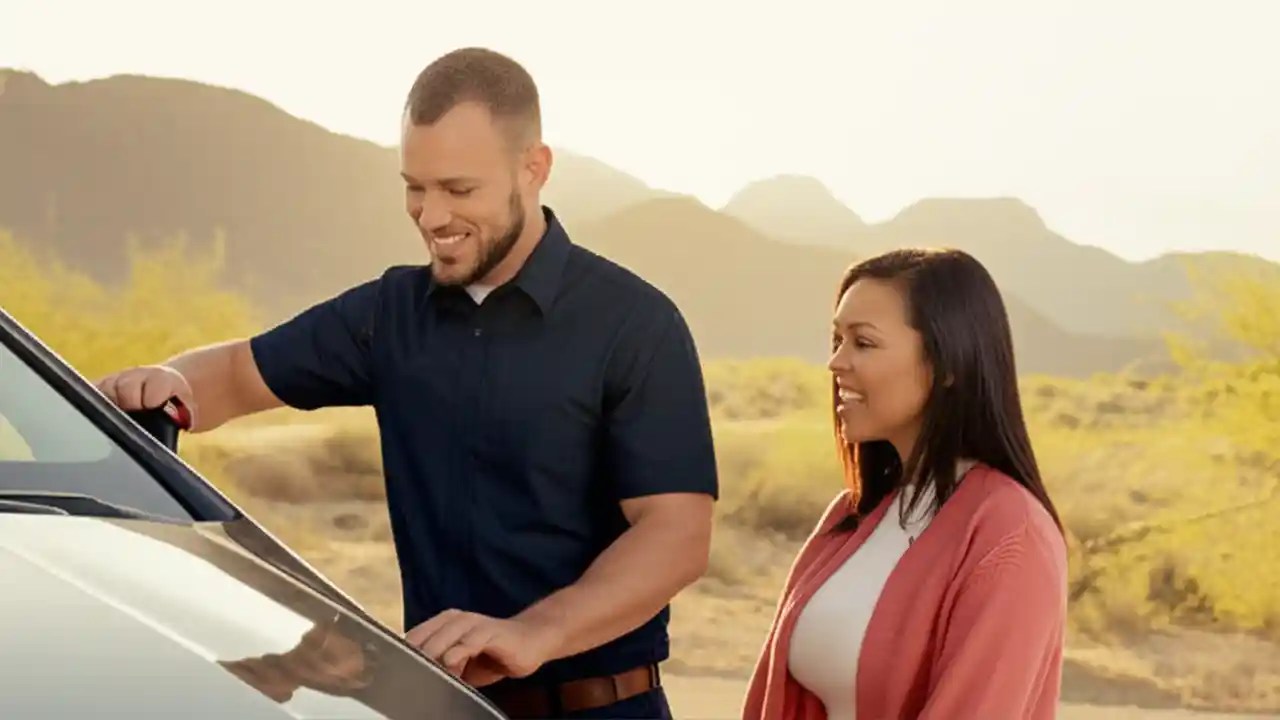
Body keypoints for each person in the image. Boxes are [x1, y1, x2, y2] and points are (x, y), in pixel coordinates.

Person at [95, 47, 718, 720]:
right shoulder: (388, 317)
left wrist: (535, 634)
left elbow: (676, 535)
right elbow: (233, 374)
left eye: (458, 189)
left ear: (533, 169)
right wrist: (169, 379)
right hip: (438, 706)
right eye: (414, 187)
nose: (430, 215)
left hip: (602, 709)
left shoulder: (635, 324)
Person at [741, 248, 1068, 720]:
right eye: (836, 339)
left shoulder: (1010, 532)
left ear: (948, 363)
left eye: (864, 343)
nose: (836, 363)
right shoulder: (852, 515)